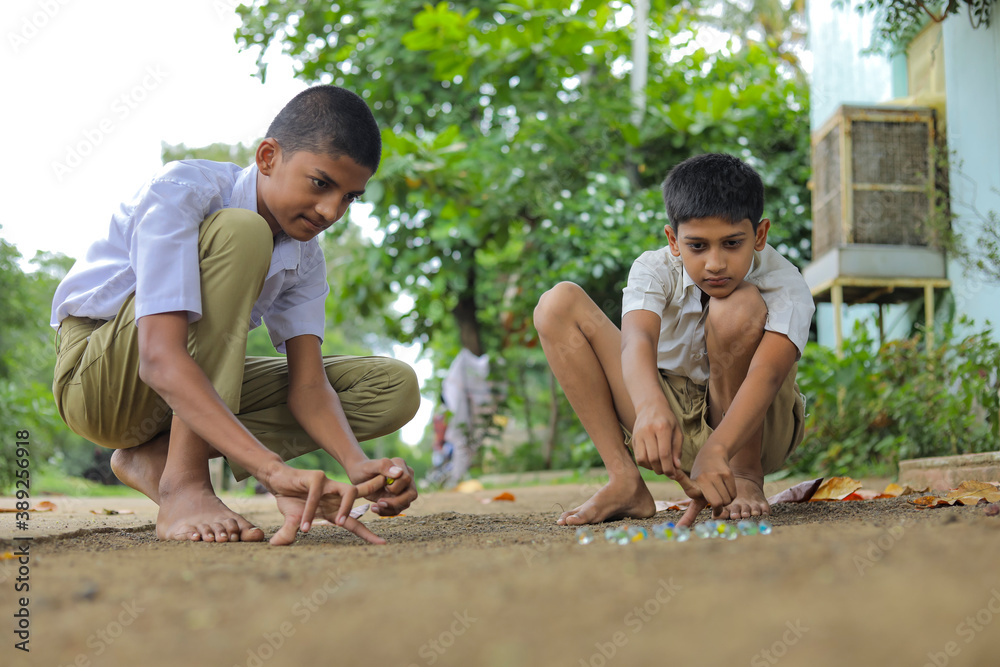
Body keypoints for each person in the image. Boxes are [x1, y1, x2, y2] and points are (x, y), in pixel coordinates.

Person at [50, 86, 420, 546]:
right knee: (242, 233)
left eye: (350, 198)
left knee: (393, 388)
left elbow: (307, 387)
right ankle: (183, 484)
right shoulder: (184, 191)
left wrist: (356, 463)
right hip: (101, 378)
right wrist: (273, 469)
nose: (331, 211)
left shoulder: (305, 255)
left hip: (181, 391)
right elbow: (159, 357)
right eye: (321, 184)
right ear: (268, 157)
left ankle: (154, 457)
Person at [533, 153, 814, 527]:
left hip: (758, 428)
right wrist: (649, 405)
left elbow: (766, 375)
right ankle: (624, 481)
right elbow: (637, 342)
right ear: (674, 240)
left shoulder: (787, 285)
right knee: (557, 304)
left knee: (737, 306)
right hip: (670, 420)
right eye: (698, 246)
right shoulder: (654, 268)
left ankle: (744, 475)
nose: (715, 263)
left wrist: (718, 448)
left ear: (759, 235)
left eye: (732, 244)